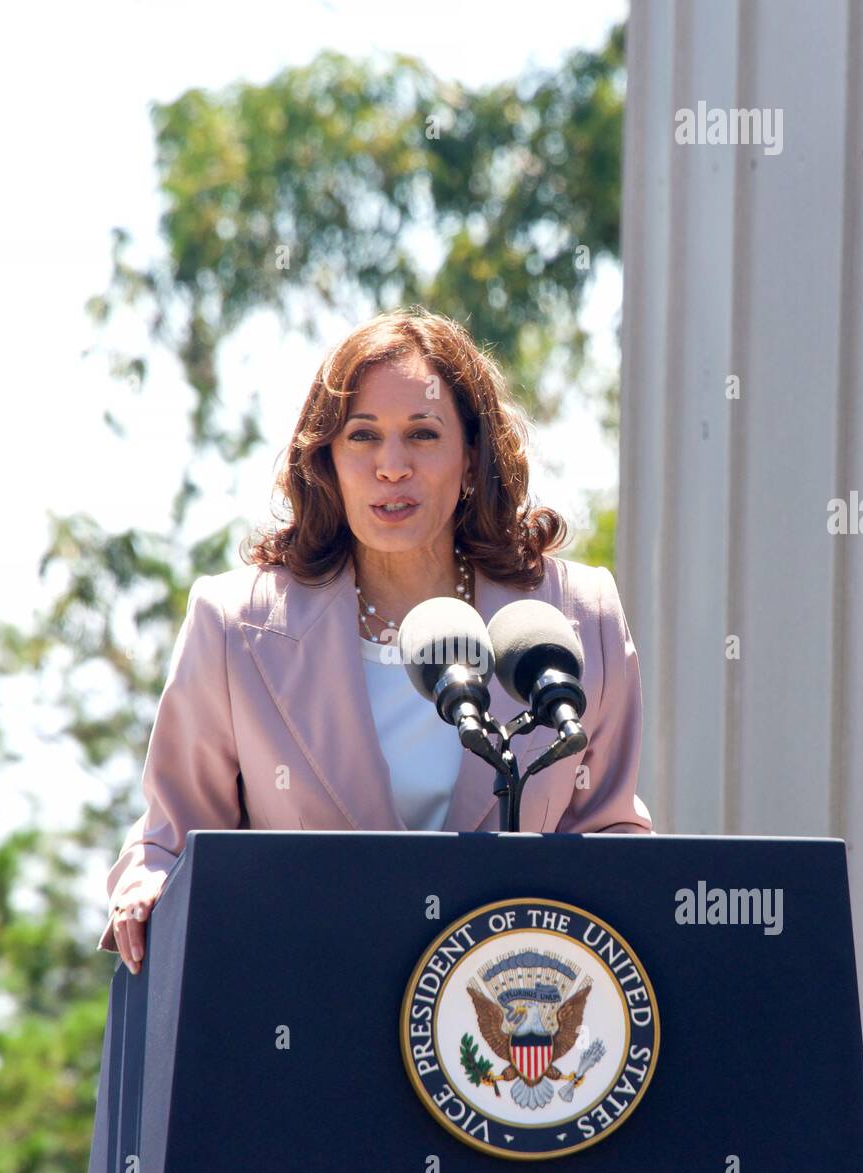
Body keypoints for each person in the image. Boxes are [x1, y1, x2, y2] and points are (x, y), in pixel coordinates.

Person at [98, 306, 652, 975]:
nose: (392, 467)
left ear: (472, 457)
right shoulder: (234, 626)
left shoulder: (575, 614)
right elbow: (172, 836)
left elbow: (609, 834)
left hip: (503, 1035)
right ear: (326, 459)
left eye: (422, 434)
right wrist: (146, 883)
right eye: (362, 436)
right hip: (300, 1009)